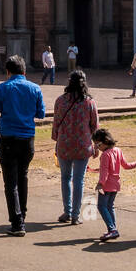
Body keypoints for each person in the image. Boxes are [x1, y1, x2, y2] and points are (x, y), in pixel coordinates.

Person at [0, 55, 45, 237]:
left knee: (10, 182)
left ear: (7, 72)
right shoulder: (35, 88)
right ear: (24, 71)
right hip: (27, 139)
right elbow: (41, 113)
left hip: (8, 139)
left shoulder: (3, 88)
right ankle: (23, 215)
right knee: (23, 177)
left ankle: (17, 222)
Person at [51, 69, 99, 225]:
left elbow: (56, 123)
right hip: (82, 146)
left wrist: (56, 139)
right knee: (79, 180)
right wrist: (96, 146)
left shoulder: (60, 101)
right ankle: (76, 216)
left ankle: (67, 211)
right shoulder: (89, 102)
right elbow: (95, 127)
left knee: (65, 178)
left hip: (64, 145)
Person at [88, 127, 136, 242]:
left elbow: (104, 172)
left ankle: (112, 229)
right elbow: (126, 165)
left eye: (97, 145)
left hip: (106, 185)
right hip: (116, 184)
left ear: (105, 142)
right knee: (110, 206)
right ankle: (113, 228)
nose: (97, 148)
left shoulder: (105, 155)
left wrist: (100, 184)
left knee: (101, 206)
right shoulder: (118, 150)